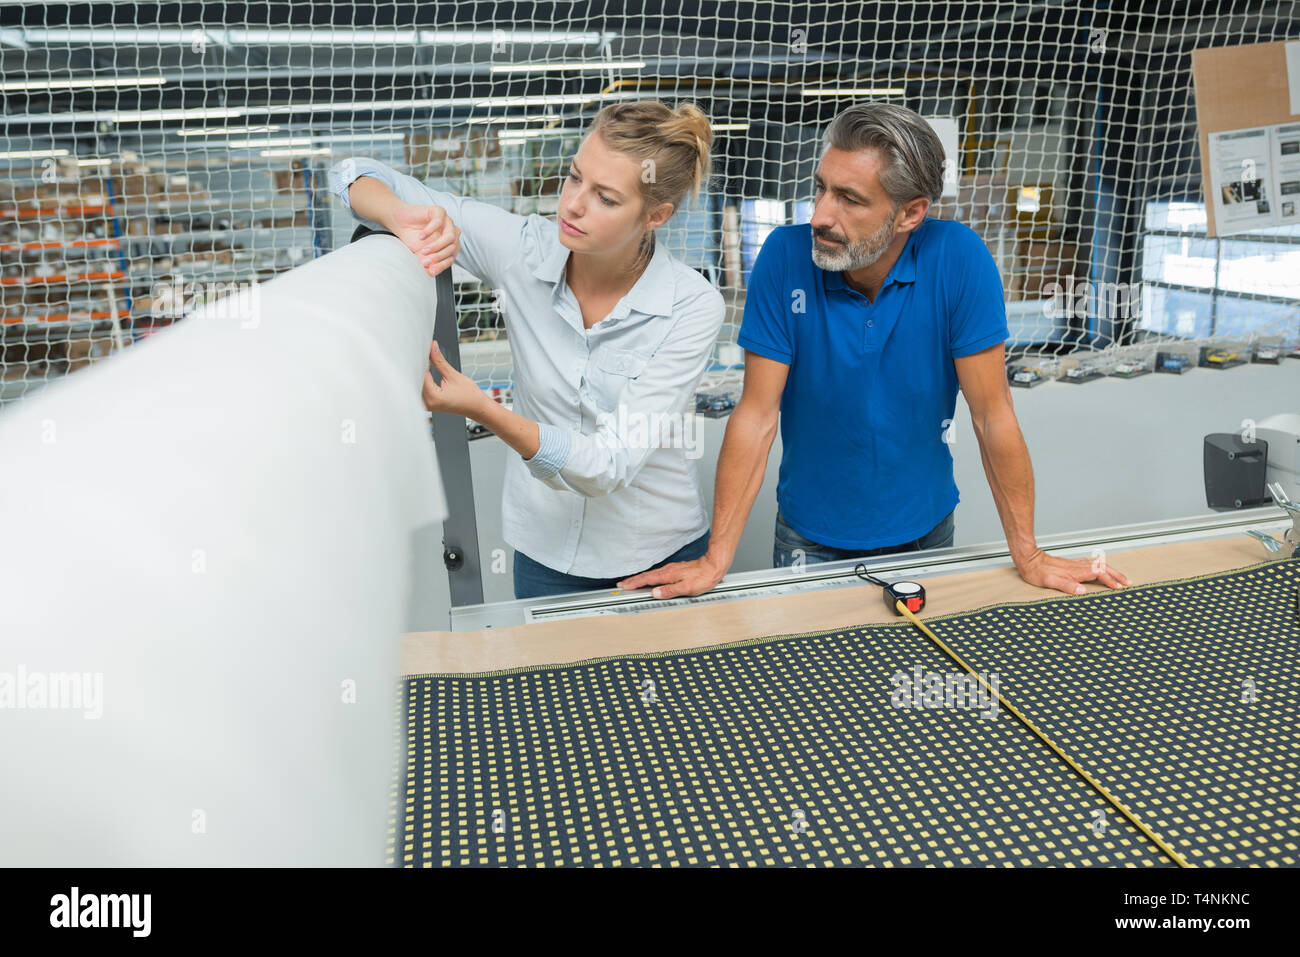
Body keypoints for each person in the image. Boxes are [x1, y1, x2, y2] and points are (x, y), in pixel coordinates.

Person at [618, 101, 1131, 600]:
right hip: (808, 538)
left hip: (925, 531)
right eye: (821, 188)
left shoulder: (959, 258)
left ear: (910, 213)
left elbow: (992, 416)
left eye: (850, 198)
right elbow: (756, 416)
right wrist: (716, 557)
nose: (820, 215)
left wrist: (1029, 553)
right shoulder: (784, 257)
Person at [327, 101, 725, 599]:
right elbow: (352, 175)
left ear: (656, 216)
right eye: (575, 177)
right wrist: (406, 219)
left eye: (605, 197)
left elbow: (609, 465)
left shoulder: (691, 305)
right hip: (546, 553)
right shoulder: (523, 248)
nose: (574, 204)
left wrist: (482, 410)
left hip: (657, 556)